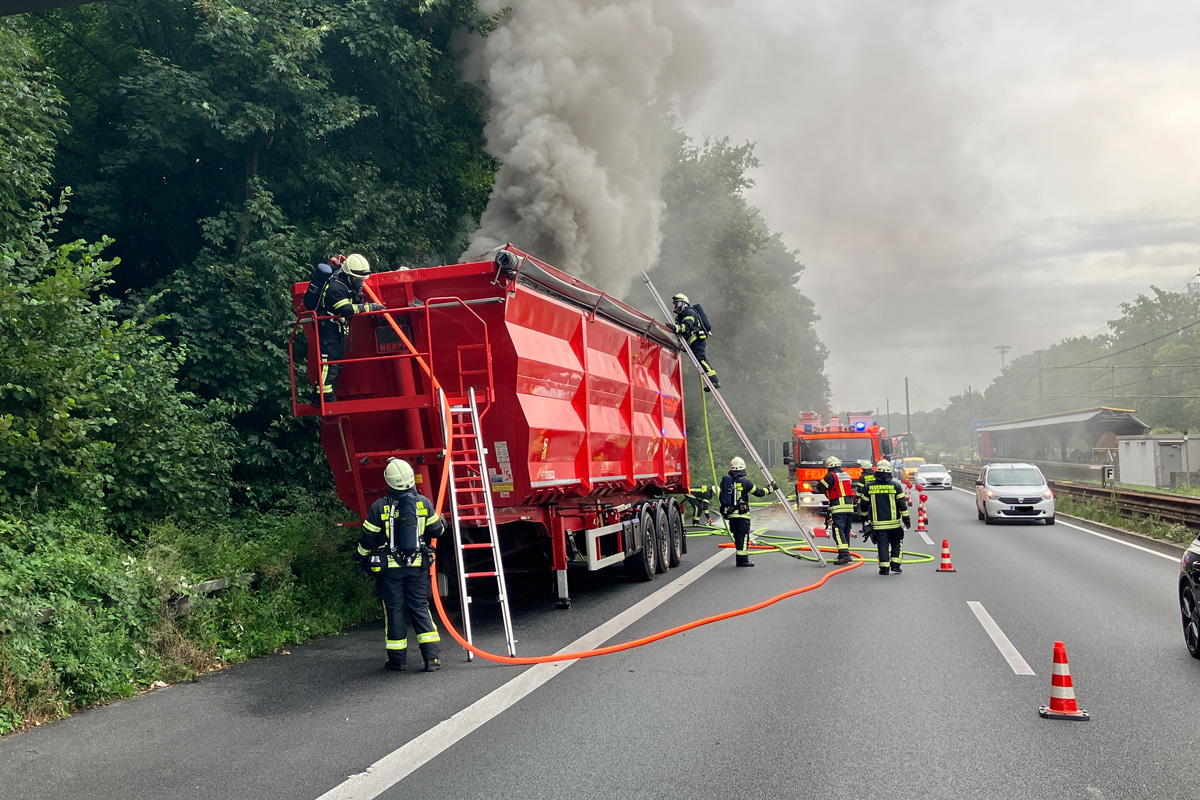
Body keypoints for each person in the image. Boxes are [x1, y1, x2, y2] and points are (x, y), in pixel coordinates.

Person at [356, 458, 446, 672]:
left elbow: (368, 538)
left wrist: (361, 558)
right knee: (420, 608)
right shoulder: (423, 503)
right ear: (410, 478)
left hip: (390, 571)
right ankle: (431, 659)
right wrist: (442, 522)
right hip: (417, 568)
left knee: (394, 610)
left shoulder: (379, 507)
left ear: (389, 480)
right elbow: (436, 531)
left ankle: (398, 660)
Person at [315, 253, 383, 404]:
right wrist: (370, 307)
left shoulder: (348, 283)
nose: (361, 283)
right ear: (349, 275)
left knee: (338, 363)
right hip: (329, 328)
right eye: (358, 279)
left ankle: (327, 390)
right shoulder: (335, 287)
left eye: (362, 280)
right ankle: (323, 395)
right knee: (329, 362)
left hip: (338, 329)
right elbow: (346, 309)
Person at [719, 457, 776, 567]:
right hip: (742, 516)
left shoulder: (726, 482)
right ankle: (742, 560)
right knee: (743, 537)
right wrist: (771, 488)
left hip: (731, 515)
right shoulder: (746, 483)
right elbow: (759, 493)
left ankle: (740, 558)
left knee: (737, 536)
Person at [865, 459, 910, 576]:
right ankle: (895, 565)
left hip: (879, 525)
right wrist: (907, 520)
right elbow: (902, 505)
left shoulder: (869, 487)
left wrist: (865, 521)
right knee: (897, 544)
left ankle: (884, 569)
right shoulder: (896, 486)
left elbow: (863, 506)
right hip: (895, 524)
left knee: (882, 545)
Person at [671, 293, 719, 391]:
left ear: (684, 303)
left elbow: (685, 326)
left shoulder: (690, 312)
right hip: (691, 343)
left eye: (678, 303)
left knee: (701, 360)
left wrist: (675, 328)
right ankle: (711, 382)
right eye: (675, 304)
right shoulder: (679, 317)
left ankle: (714, 381)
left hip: (697, 341)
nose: (676, 306)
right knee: (699, 361)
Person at [813, 456, 855, 565]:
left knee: (838, 531)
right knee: (845, 531)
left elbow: (820, 487)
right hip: (849, 507)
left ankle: (845, 555)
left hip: (838, 507)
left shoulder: (831, 476)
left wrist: (821, 481)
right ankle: (844, 553)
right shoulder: (846, 474)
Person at [853, 459, 876, 538]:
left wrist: (856, 498)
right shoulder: (875, 474)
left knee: (864, 513)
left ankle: (865, 527)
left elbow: (860, 489)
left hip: (865, 498)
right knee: (873, 513)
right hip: (874, 497)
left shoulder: (863, 477)